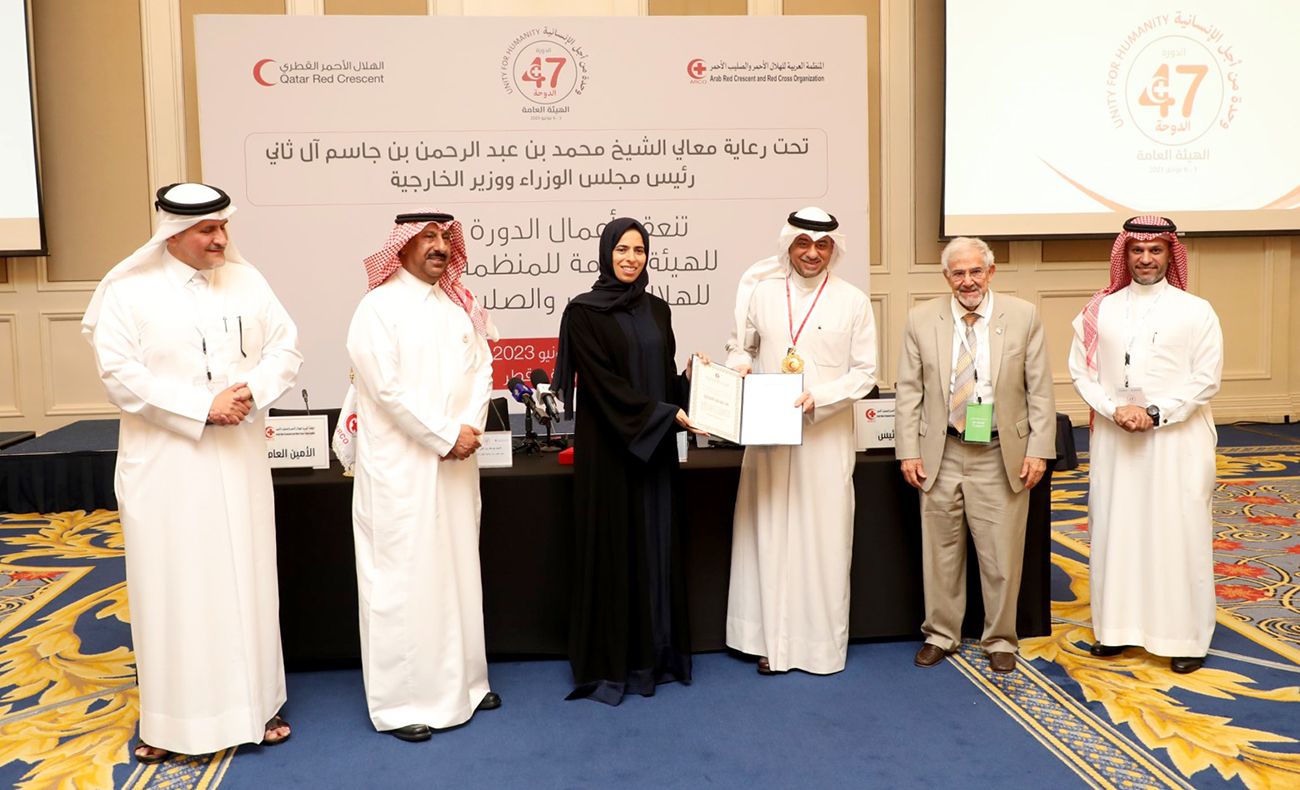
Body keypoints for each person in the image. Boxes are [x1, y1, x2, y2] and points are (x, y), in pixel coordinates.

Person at [82, 183, 302, 763]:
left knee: (247, 577)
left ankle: (257, 705)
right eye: (208, 230)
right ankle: (171, 723)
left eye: (225, 227)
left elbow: (286, 348)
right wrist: (202, 406)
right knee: (175, 586)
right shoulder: (128, 293)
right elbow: (120, 376)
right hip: (168, 466)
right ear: (171, 233)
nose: (222, 239)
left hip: (240, 458)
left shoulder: (247, 280)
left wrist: (249, 392)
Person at [346, 210, 501, 741]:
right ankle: (401, 703)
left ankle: (466, 686)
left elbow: (482, 368)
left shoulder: (459, 306)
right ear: (401, 246)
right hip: (402, 472)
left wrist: (469, 429)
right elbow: (387, 394)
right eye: (427, 237)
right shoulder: (377, 309)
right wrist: (444, 435)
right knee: (404, 581)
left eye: (443, 237)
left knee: (457, 571)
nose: (438, 246)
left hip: (457, 465)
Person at [553, 217, 702, 704]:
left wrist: (696, 382)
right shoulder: (582, 312)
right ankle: (618, 661)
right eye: (622, 249)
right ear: (605, 253)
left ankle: (659, 653)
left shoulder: (658, 310)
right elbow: (602, 385)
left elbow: (661, 378)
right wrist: (665, 412)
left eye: (639, 250)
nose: (630, 258)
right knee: (618, 549)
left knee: (657, 543)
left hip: (654, 449)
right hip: (612, 451)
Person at [723, 207, 877, 675]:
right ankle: (766, 641)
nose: (812, 254)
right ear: (788, 246)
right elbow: (739, 345)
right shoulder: (762, 293)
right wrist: (739, 365)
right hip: (769, 435)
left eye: (822, 245)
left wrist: (820, 397)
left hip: (825, 436)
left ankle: (815, 648)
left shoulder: (853, 300)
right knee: (767, 533)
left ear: (834, 249)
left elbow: (866, 373)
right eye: (803, 244)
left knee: (823, 539)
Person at [1068, 216, 1223, 674]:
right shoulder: (1100, 310)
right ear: (1125, 254)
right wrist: (1114, 409)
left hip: (1178, 442)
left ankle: (1185, 638)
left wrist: (1155, 413)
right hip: (1117, 441)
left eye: (1156, 250)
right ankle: (1116, 631)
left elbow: (1205, 380)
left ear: (1170, 254)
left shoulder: (1197, 310)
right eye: (1137, 250)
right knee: (1118, 530)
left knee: (1178, 533)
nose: (1146, 259)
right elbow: (1083, 373)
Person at [895, 236, 1055, 675]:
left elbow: (1039, 389)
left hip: (1000, 450)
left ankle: (1001, 638)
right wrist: (908, 450)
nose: (968, 281)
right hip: (940, 449)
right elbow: (908, 390)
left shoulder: (1022, 316)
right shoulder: (920, 318)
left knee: (1001, 553)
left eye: (975, 271)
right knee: (941, 551)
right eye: (958, 273)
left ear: (991, 272)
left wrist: (1039, 450)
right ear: (947, 277)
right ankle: (940, 634)